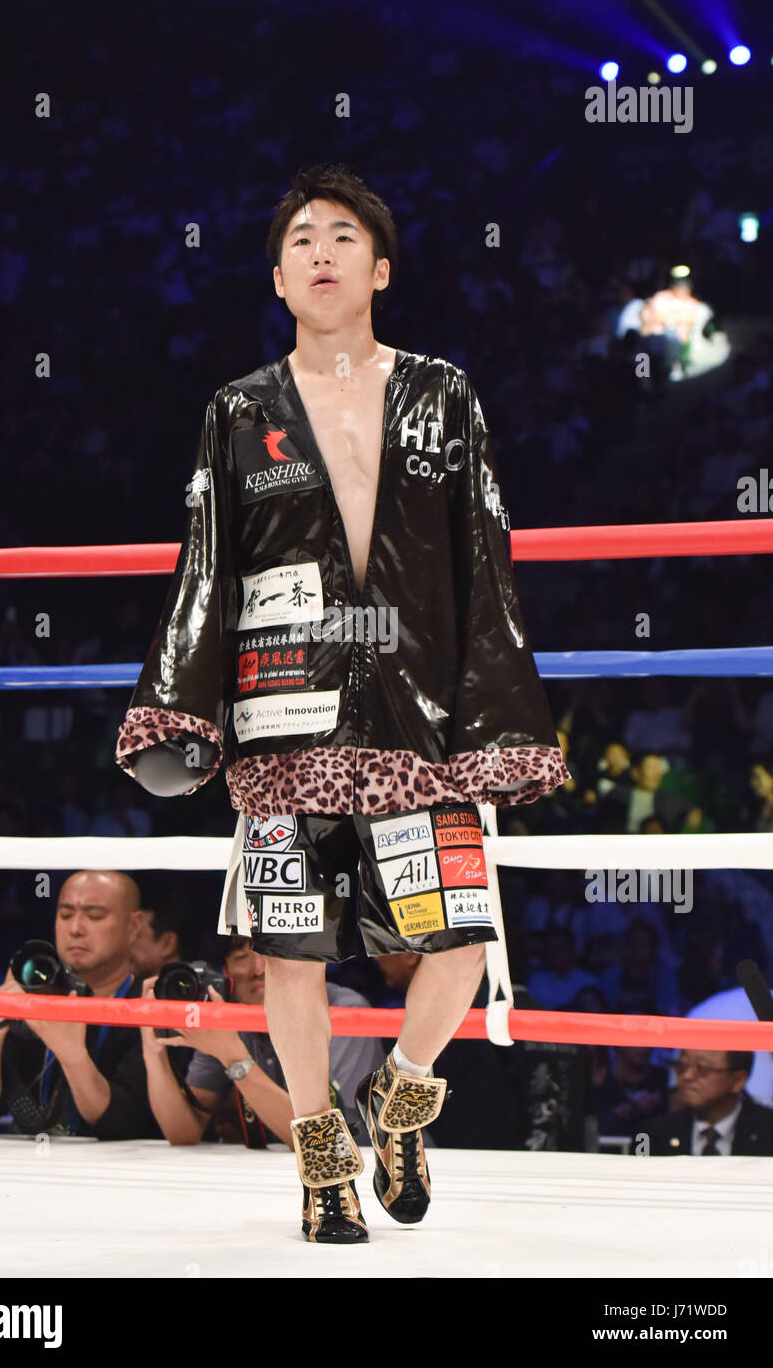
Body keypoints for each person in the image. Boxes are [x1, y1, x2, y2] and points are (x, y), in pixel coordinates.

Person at [116, 163, 570, 1243]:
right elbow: (206, 564)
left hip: (414, 723)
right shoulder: (238, 410)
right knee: (291, 954)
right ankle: (320, 1158)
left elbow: (481, 557)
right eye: (302, 240)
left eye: (342, 236)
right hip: (283, 717)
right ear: (278, 277)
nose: (321, 252)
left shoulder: (440, 392)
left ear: (378, 265)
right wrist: (178, 708)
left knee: (458, 940)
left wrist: (497, 716)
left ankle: (401, 1097)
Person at [0, 870, 179, 1139]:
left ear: (133, 927)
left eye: (94, 916)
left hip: (122, 1172)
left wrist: (71, 1054)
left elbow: (122, 1124)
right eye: (66, 915)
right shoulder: (37, 995)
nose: (75, 929)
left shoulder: (152, 1006)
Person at [139, 935, 385, 1147]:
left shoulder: (344, 1010)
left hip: (367, 1172)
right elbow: (183, 1133)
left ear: (302, 960)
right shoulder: (229, 1013)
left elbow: (329, 1139)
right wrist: (153, 1051)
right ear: (225, 972)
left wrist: (234, 1058)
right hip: (281, 1174)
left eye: (271, 952)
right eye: (241, 957)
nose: (258, 969)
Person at [639, 1050, 773, 1156]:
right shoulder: (653, 1134)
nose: (687, 1076)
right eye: (682, 1065)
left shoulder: (770, 1131)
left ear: (738, 1080)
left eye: (702, 1068)